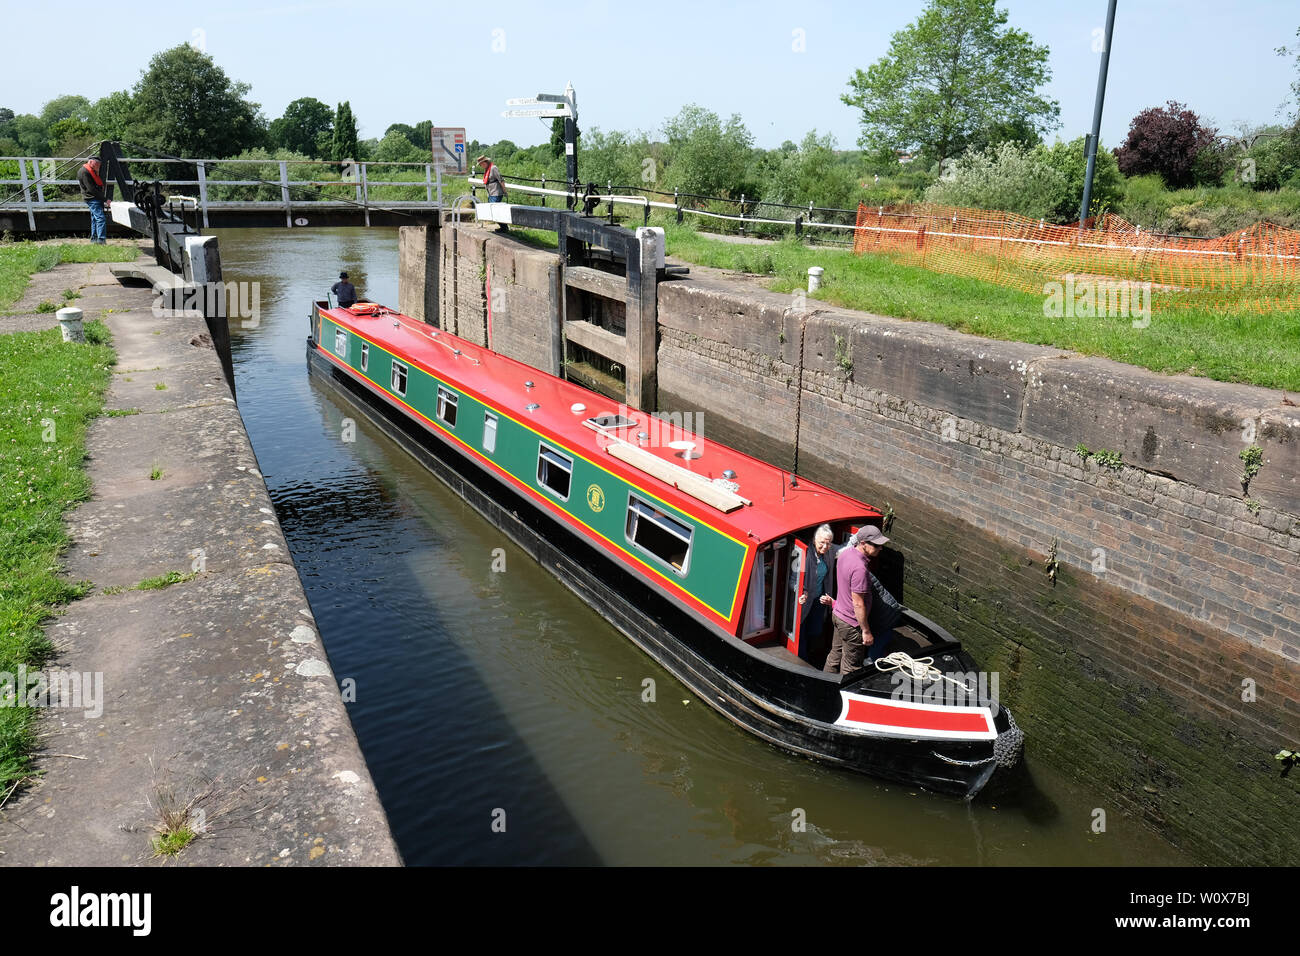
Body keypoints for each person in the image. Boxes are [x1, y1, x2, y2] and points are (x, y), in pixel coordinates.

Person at [823, 526, 889, 675]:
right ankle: (843, 696)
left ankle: (825, 684)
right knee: (851, 667)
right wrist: (866, 631)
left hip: (838, 615)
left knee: (834, 656)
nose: (880, 548)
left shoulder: (845, 554)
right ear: (864, 543)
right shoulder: (860, 569)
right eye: (876, 545)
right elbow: (858, 603)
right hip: (852, 624)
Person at [795, 524, 836, 665]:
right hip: (804, 601)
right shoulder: (803, 554)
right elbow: (792, 579)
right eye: (822, 543)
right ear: (814, 540)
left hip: (819, 600)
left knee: (815, 629)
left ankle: (813, 656)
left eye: (828, 543)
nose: (825, 546)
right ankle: (802, 660)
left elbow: (844, 547)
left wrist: (859, 538)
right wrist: (800, 591)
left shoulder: (829, 552)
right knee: (800, 630)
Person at [77, 158, 109, 244]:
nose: (98, 167)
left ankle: (94, 239)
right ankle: (101, 240)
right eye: (96, 165)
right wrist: (105, 199)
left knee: (95, 219)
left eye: (99, 165)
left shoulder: (86, 170)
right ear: (91, 162)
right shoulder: (85, 172)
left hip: (91, 198)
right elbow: (91, 189)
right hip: (92, 198)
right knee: (101, 219)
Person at [475, 155, 509, 232]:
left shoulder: (493, 168)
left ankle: (504, 227)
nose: (481, 166)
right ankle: (504, 227)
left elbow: (501, 180)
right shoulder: (487, 169)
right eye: (480, 165)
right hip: (491, 193)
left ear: (485, 162)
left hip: (496, 193)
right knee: (494, 211)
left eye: (481, 164)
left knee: (495, 211)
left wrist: (505, 191)